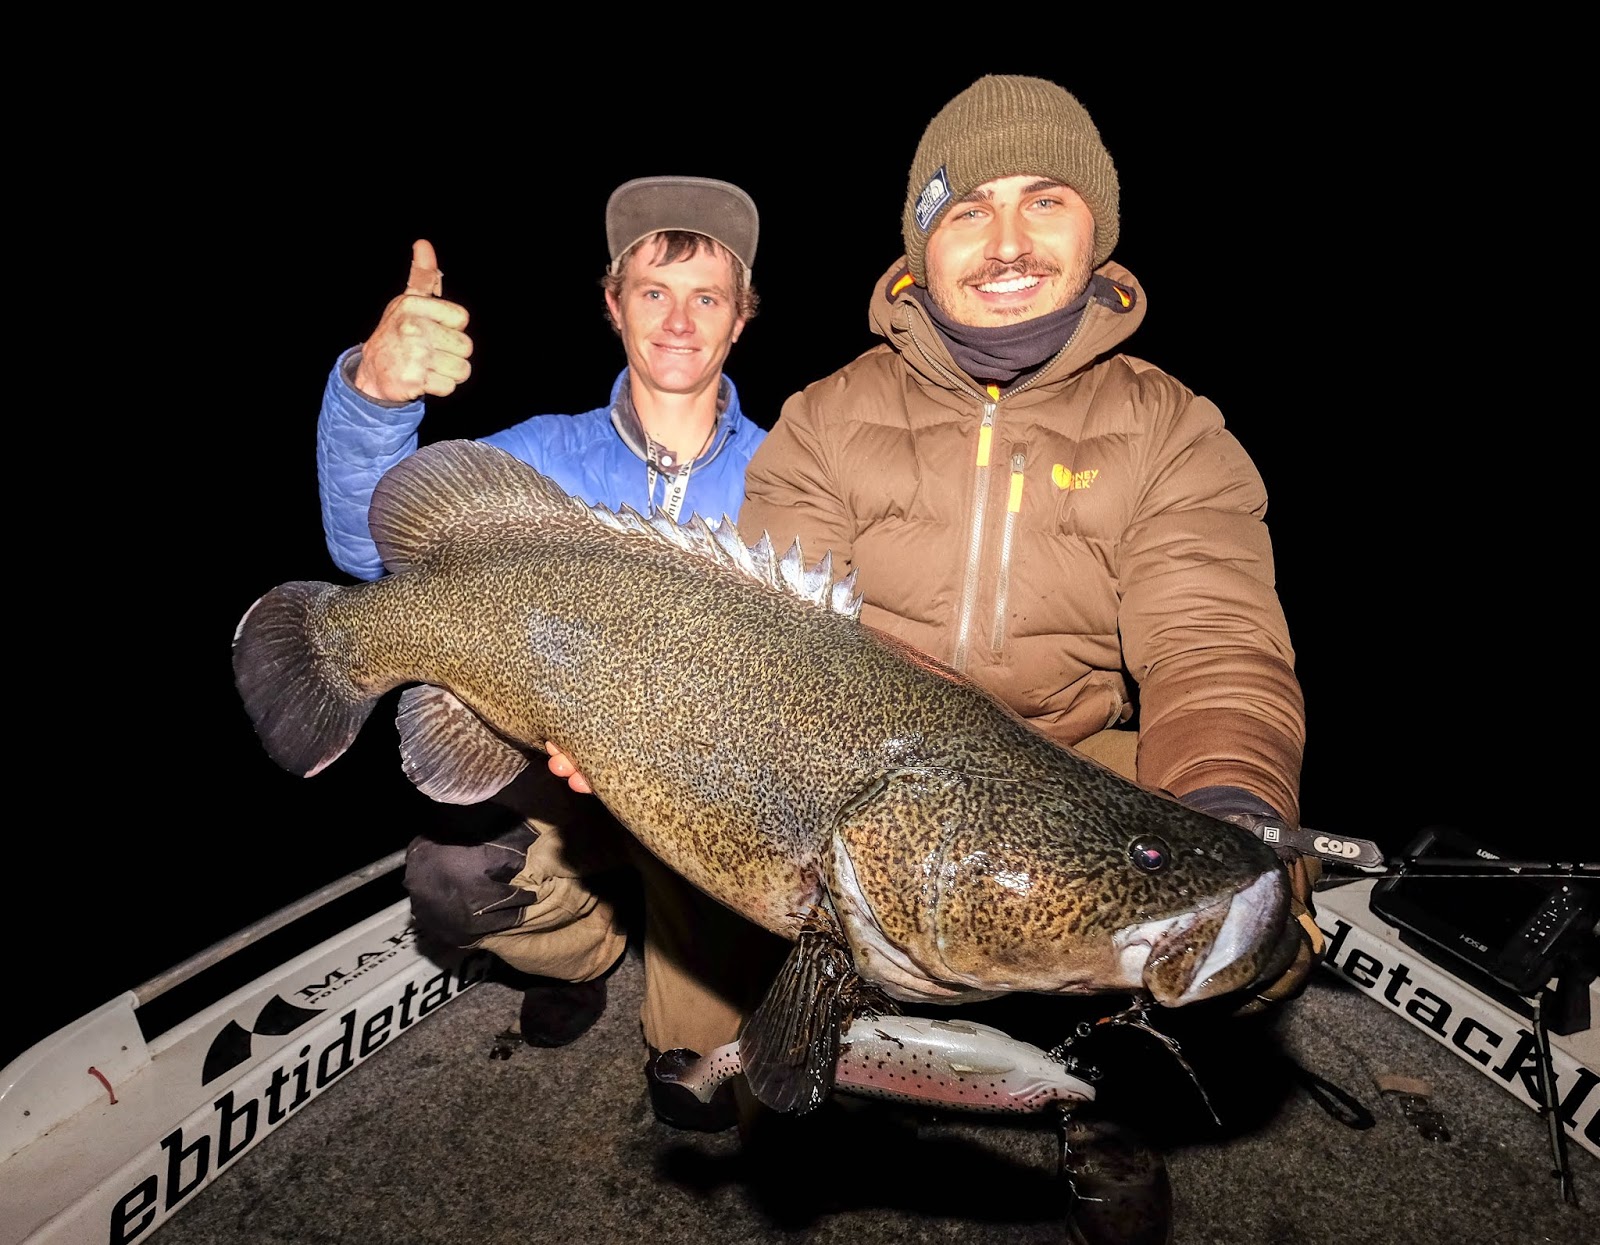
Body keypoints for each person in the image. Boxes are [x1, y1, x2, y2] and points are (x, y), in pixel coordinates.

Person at [736, 74, 1323, 1019]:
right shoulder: (824, 416)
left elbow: (1211, 645)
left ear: (1097, 230)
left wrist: (1230, 806)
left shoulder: (1172, 427)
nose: (1008, 244)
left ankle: (1102, 1099)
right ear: (921, 251)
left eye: (1045, 202)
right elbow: (780, 650)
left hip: (1076, 765)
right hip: (875, 766)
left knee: (1228, 879)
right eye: (969, 211)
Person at [315, 175, 788, 1130]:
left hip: (716, 810)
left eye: (708, 295)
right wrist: (374, 396)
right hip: (554, 778)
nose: (680, 320)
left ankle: (689, 971)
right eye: (653, 290)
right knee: (450, 881)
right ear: (613, 305)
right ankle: (587, 954)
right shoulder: (539, 458)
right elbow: (370, 550)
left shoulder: (793, 475)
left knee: (703, 1089)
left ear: (743, 317)